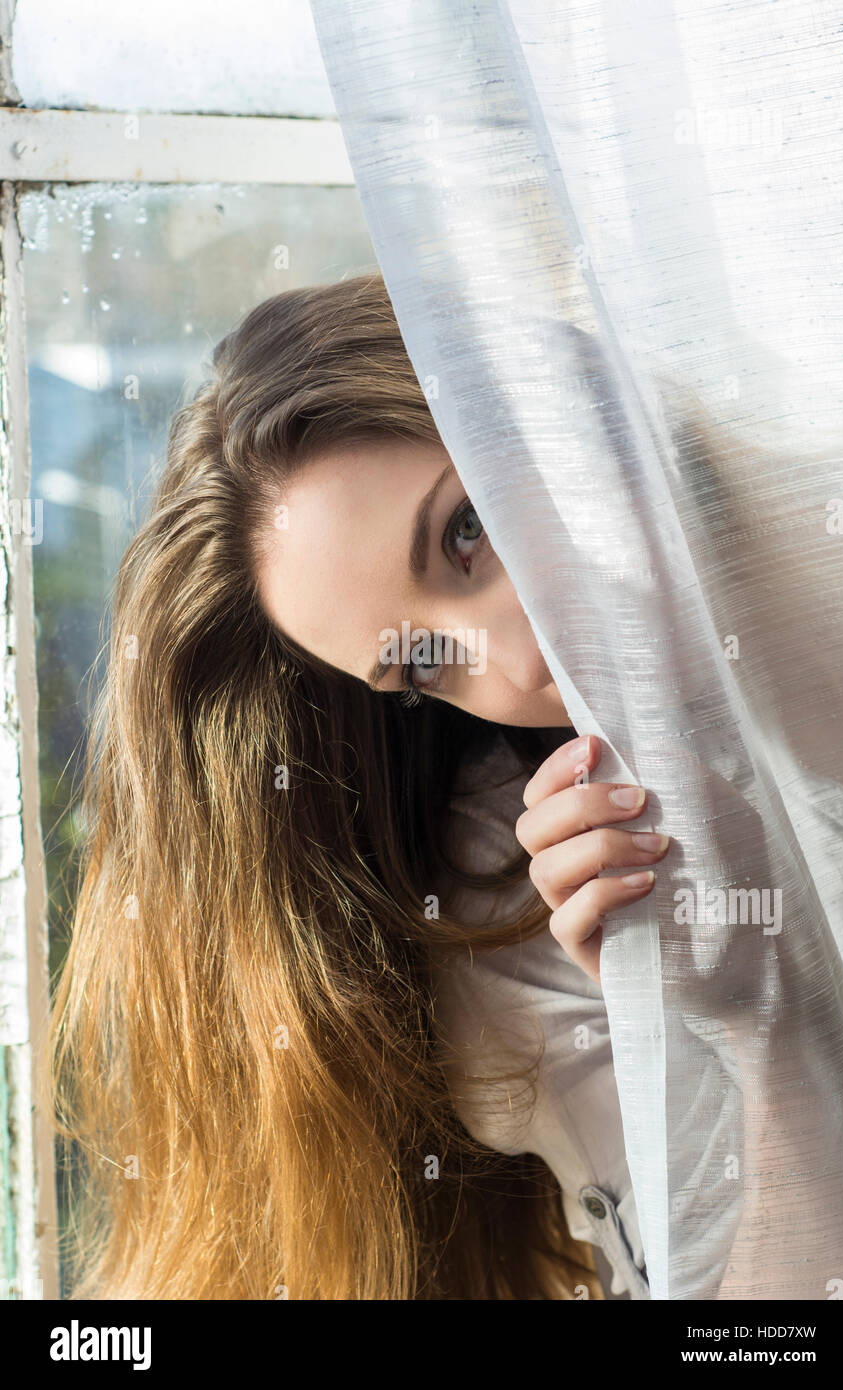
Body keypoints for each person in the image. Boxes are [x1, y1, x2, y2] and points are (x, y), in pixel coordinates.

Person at [47, 272, 671, 1300]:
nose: (515, 666)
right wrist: (690, 1013)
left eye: (468, 528)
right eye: (424, 662)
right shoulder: (522, 876)